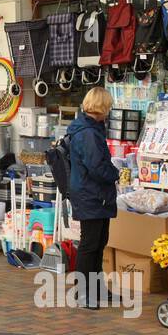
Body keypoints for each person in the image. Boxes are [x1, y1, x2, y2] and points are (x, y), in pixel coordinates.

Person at [66, 87, 121, 309]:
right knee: (90, 244)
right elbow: (97, 166)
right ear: (102, 106)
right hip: (92, 194)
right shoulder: (88, 133)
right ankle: (83, 293)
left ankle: (96, 289)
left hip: (93, 193)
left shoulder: (90, 128)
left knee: (99, 242)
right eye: (108, 105)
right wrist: (115, 174)